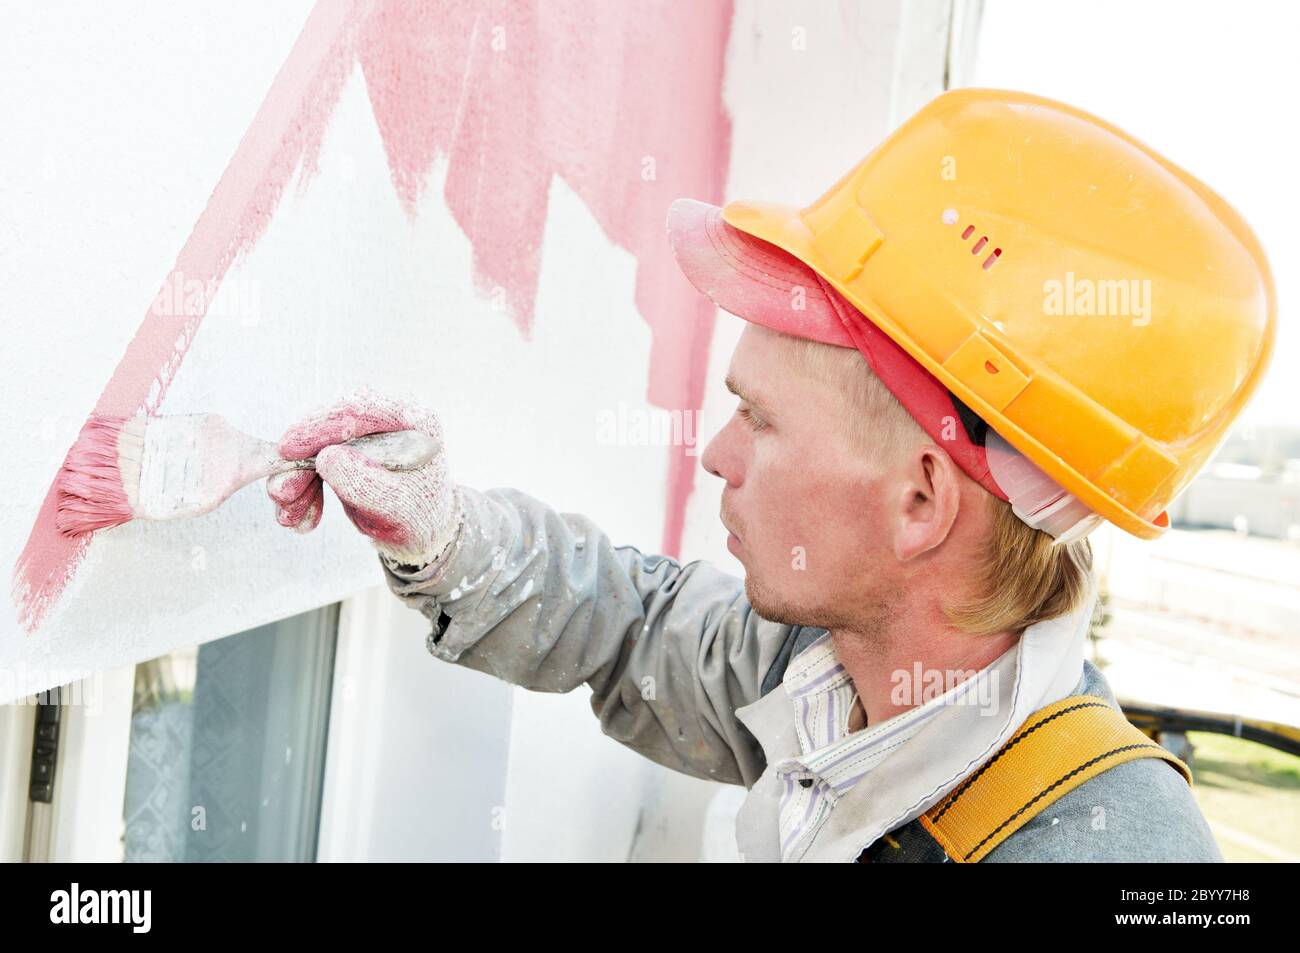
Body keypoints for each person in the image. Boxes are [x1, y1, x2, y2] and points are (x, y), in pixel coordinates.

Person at [266, 89, 1274, 862]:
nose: (717, 453)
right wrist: (442, 536)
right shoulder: (828, 670)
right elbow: (633, 625)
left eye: (759, 417)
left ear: (920, 499)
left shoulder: (1119, 853)